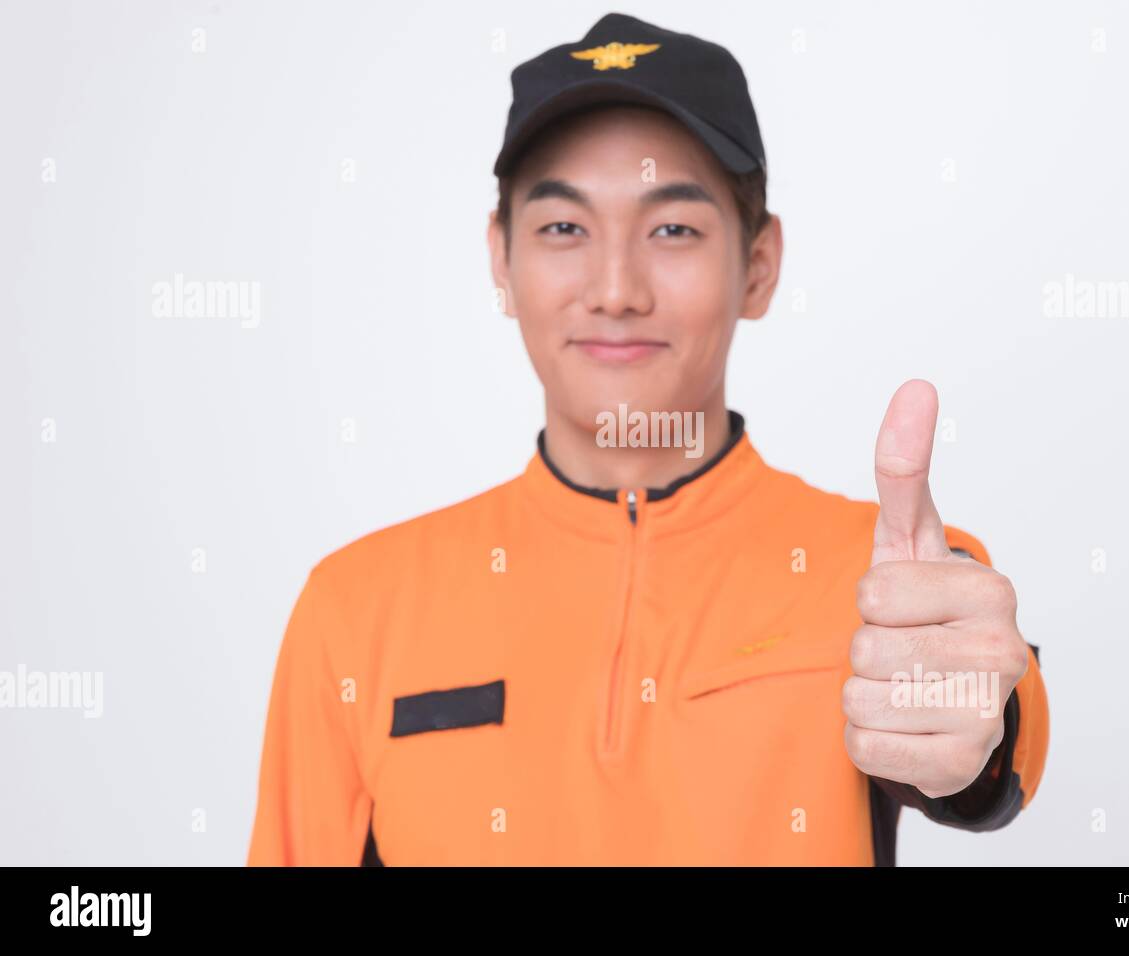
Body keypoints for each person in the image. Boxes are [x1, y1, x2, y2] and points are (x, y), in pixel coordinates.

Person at [247, 12, 1049, 866]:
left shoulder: (895, 579)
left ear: (759, 266)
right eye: (563, 228)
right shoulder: (355, 607)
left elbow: (989, 731)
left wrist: (975, 720)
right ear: (500, 261)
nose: (617, 288)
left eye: (673, 229)